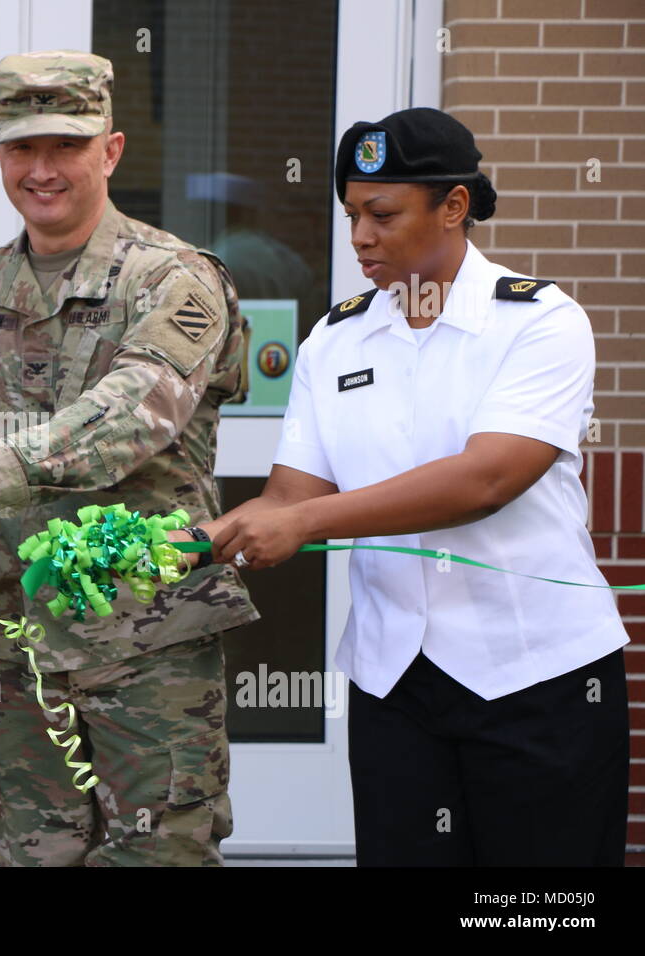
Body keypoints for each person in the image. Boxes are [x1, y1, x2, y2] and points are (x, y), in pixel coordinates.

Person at [171, 107, 629, 866]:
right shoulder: (336, 338)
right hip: (397, 685)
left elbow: (486, 480)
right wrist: (192, 543)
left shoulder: (541, 323)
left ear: (454, 206)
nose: (359, 237)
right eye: (351, 215)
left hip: (537, 679)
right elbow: (290, 496)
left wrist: (306, 519)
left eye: (382, 214)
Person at [0, 51, 257, 867]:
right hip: (19, 655)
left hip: (150, 652)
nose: (42, 170)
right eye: (22, 148)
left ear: (112, 150)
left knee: (162, 856)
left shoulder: (176, 280)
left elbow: (138, 408)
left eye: (66, 145)